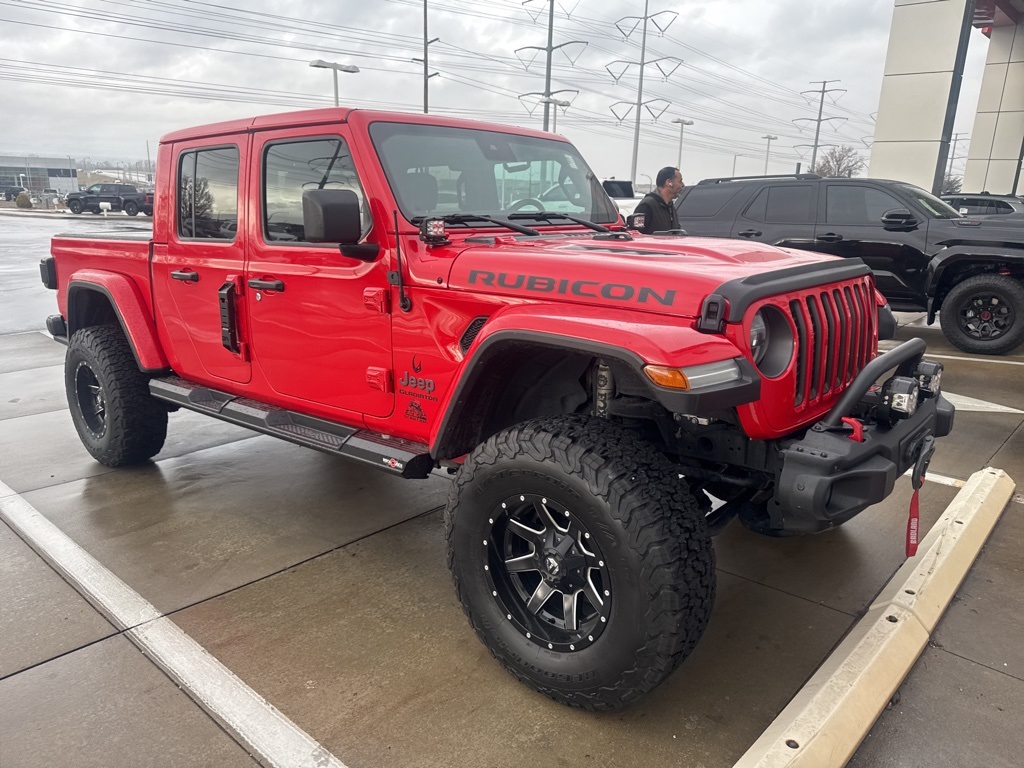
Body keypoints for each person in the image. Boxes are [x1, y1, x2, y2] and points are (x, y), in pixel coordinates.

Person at [632, 166, 684, 234]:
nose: (682, 185)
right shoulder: (646, 206)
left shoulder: (670, 207)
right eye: (680, 181)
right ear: (669, 183)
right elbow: (636, 235)